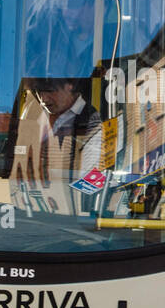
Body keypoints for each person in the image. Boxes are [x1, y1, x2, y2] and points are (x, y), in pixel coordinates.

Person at [10, 77, 103, 214]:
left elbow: (94, 177)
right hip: (29, 208)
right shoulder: (33, 111)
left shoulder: (91, 121)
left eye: (50, 91)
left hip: (69, 213)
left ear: (70, 85)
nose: (44, 99)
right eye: (38, 92)